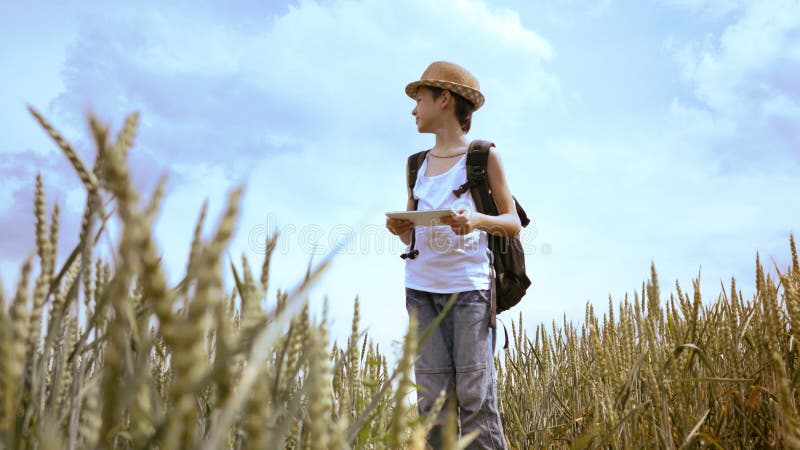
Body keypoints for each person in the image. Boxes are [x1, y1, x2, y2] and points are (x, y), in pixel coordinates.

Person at [386, 60, 520, 450]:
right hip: (420, 292)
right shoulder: (416, 165)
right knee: (432, 404)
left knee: (477, 399)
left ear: (444, 99)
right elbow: (413, 235)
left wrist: (476, 220)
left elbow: (512, 222)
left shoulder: (482, 157)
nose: (414, 109)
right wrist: (402, 229)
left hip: (471, 293)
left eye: (420, 99)